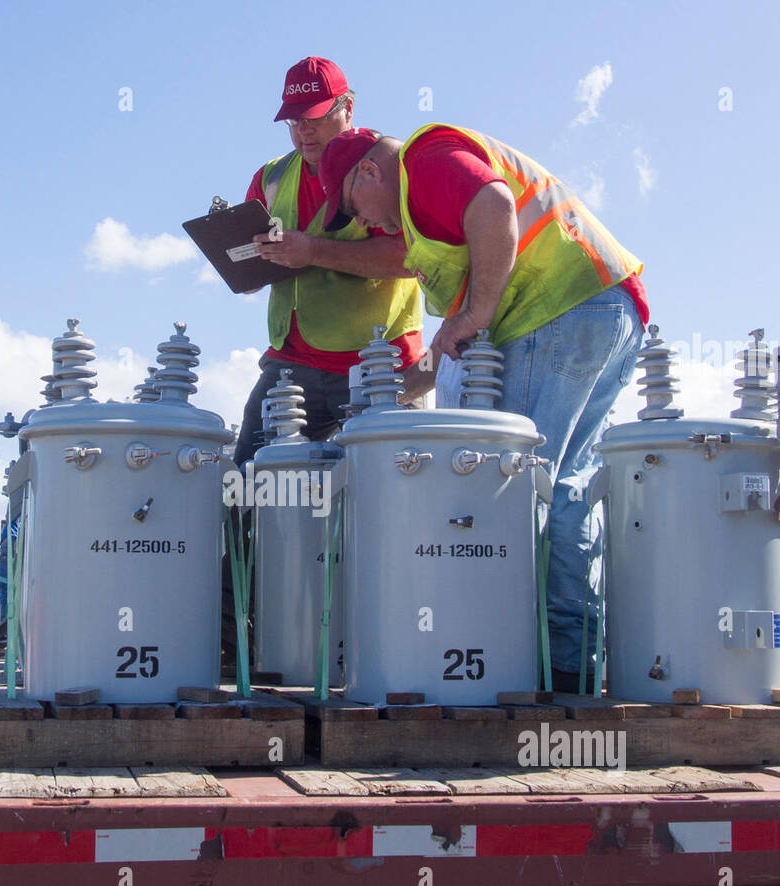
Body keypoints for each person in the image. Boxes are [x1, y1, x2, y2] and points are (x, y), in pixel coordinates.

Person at [317, 123, 651, 691]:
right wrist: (397, 392)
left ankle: (513, 659)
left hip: (559, 312)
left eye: (354, 209)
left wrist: (476, 315)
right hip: (606, 308)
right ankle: (569, 665)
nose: (365, 224)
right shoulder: (431, 213)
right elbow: (455, 340)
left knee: (511, 492)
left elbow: (495, 206)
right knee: (559, 487)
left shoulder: (422, 161)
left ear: (369, 171)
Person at [232, 57, 424, 466]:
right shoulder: (271, 177)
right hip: (291, 364)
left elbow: (412, 257)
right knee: (249, 480)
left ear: (348, 109)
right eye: (294, 121)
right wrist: (244, 267)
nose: (304, 131)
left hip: (380, 368)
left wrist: (313, 251)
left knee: (392, 493)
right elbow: (249, 273)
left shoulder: (386, 166)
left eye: (315, 118)